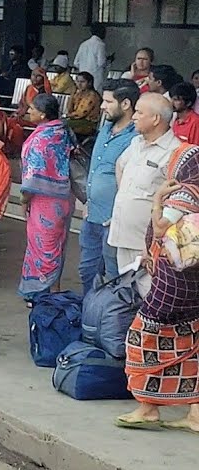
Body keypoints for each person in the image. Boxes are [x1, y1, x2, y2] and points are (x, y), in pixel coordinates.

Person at [115, 144, 199, 433]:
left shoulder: (184, 193)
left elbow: (162, 228)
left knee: (142, 336)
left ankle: (148, 408)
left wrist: (157, 201)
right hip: (192, 281)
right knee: (190, 342)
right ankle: (196, 414)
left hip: (172, 282)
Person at [112, 93, 183, 296]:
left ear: (156, 119)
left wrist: (156, 242)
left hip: (148, 245)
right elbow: (120, 165)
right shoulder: (136, 143)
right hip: (123, 236)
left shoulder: (175, 152)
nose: (133, 116)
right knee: (124, 298)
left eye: (139, 112)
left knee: (150, 297)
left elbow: (177, 205)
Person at [79, 80, 139, 296]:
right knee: (87, 272)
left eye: (107, 101)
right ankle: (91, 317)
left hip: (114, 220)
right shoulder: (105, 128)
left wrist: (119, 214)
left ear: (125, 104)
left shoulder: (136, 137)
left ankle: (114, 322)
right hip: (92, 215)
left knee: (115, 275)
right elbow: (95, 168)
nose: (102, 106)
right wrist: (88, 202)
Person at [18, 94, 76, 305]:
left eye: (32, 108)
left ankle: (40, 293)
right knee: (56, 245)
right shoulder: (62, 131)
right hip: (63, 198)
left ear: (42, 114)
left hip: (43, 201)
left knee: (41, 247)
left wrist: (24, 201)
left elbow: (32, 178)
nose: (28, 111)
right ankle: (54, 289)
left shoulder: (40, 140)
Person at [66, 71, 102, 137]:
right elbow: (70, 109)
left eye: (82, 82)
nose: (79, 84)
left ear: (89, 83)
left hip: (88, 123)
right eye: (78, 81)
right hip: (77, 120)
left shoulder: (92, 95)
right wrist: (72, 94)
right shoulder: (79, 94)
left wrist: (67, 115)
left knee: (62, 125)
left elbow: (81, 114)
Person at [74, 22, 108, 92]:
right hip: (95, 79)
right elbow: (101, 63)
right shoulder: (100, 45)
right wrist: (108, 61)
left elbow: (76, 63)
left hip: (83, 78)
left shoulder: (83, 44)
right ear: (101, 32)